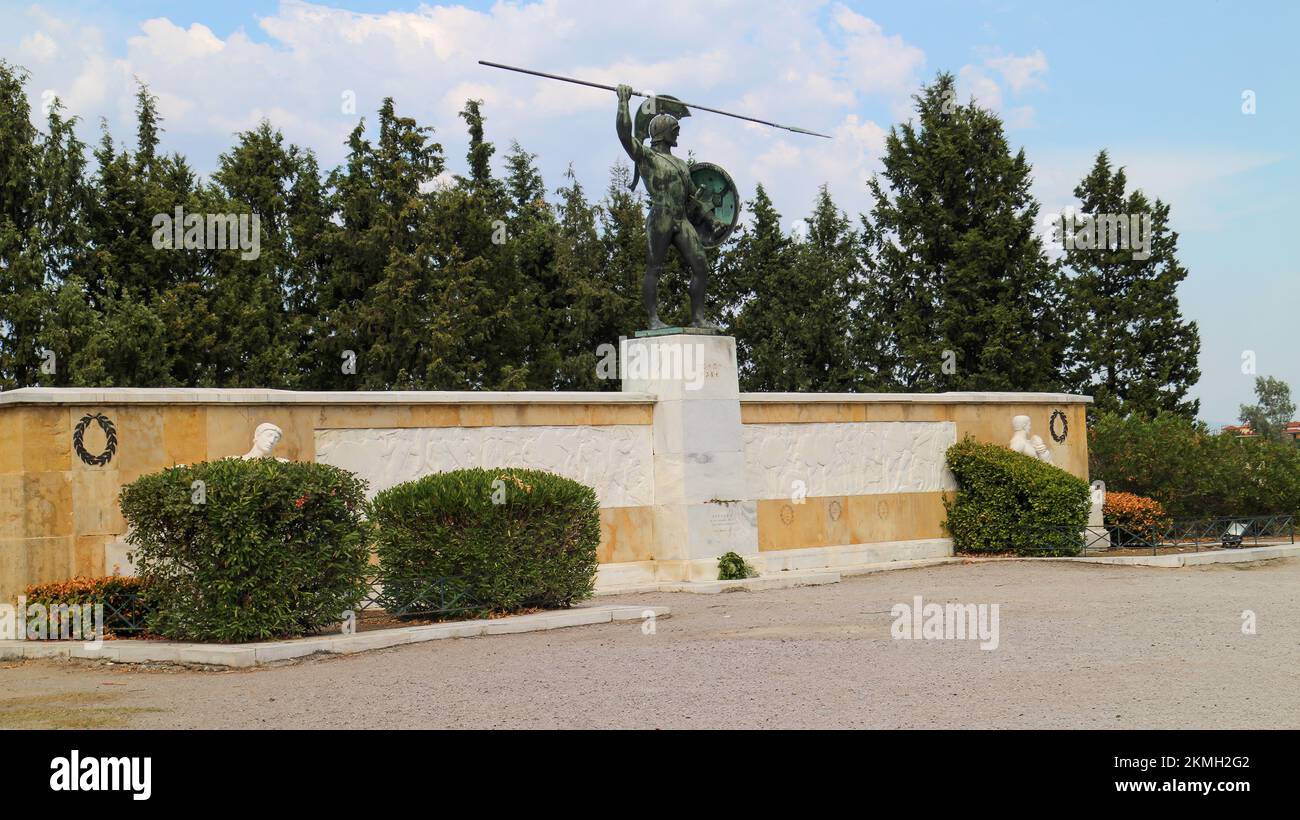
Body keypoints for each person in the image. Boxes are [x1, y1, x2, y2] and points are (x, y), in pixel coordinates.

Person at [615, 83, 725, 329]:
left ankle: (697, 318)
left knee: (701, 266)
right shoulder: (647, 157)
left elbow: (694, 201)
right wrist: (623, 102)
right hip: (660, 217)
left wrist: (713, 220)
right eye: (675, 129)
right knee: (654, 268)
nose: (678, 134)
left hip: (681, 219)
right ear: (664, 132)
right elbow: (624, 136)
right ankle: (653, 320)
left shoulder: (682, 164)